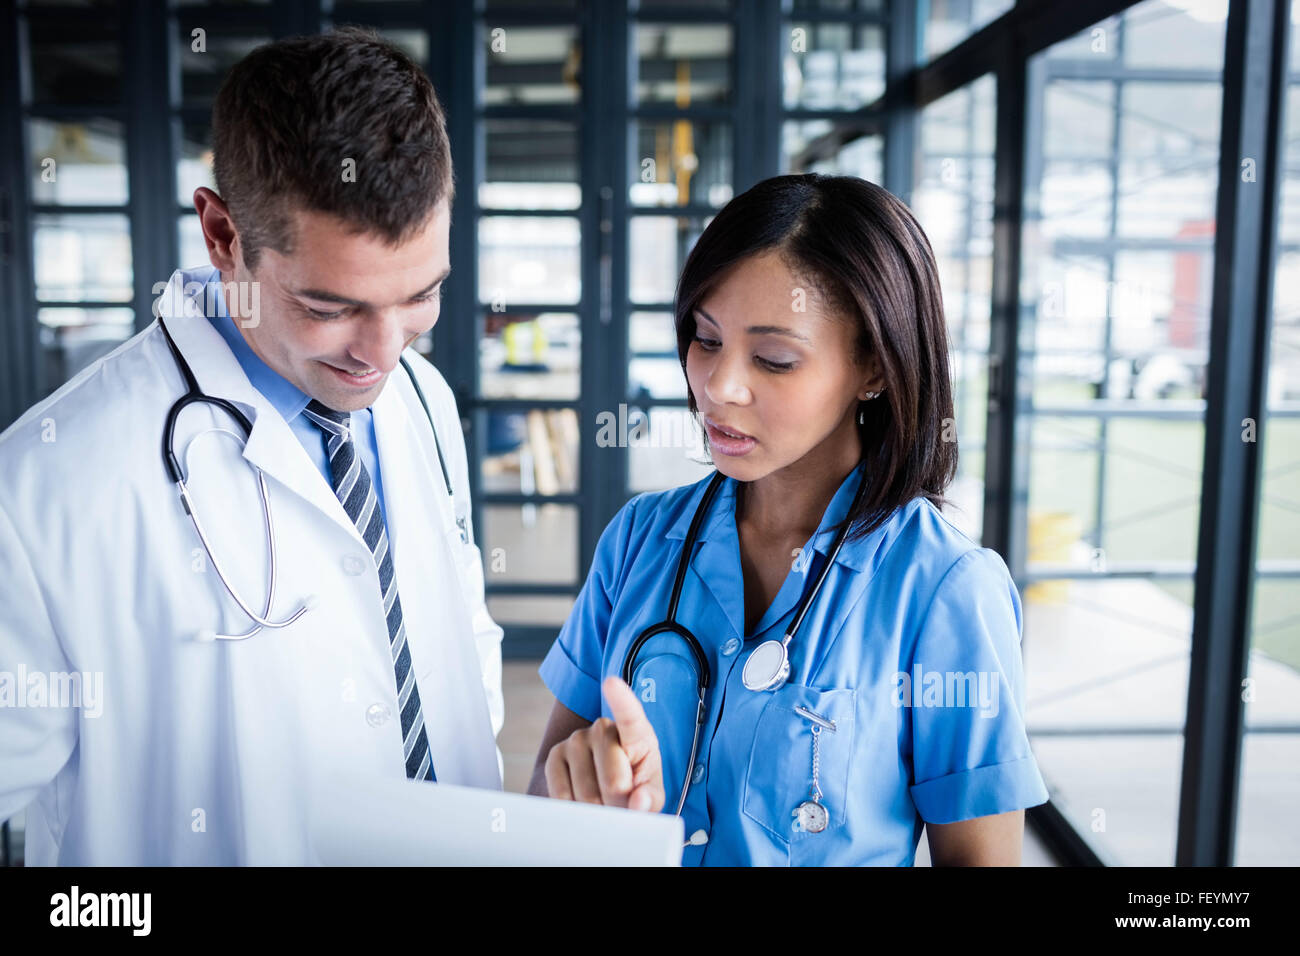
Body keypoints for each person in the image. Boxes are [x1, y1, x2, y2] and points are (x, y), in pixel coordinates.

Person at [0, 28, 504, 865]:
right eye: (329, 305)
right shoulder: (42, 488)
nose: (382, 354)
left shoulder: (422, 398)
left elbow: (457, 629)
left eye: (422, 295)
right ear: (223, 235)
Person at [529, 173, 1049, 866]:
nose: (718, 387)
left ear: (873, 368)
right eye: (706, 340)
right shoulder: (638, 540)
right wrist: (586, 793)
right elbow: (540, 795)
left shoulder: (945, 589)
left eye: (774, 359)